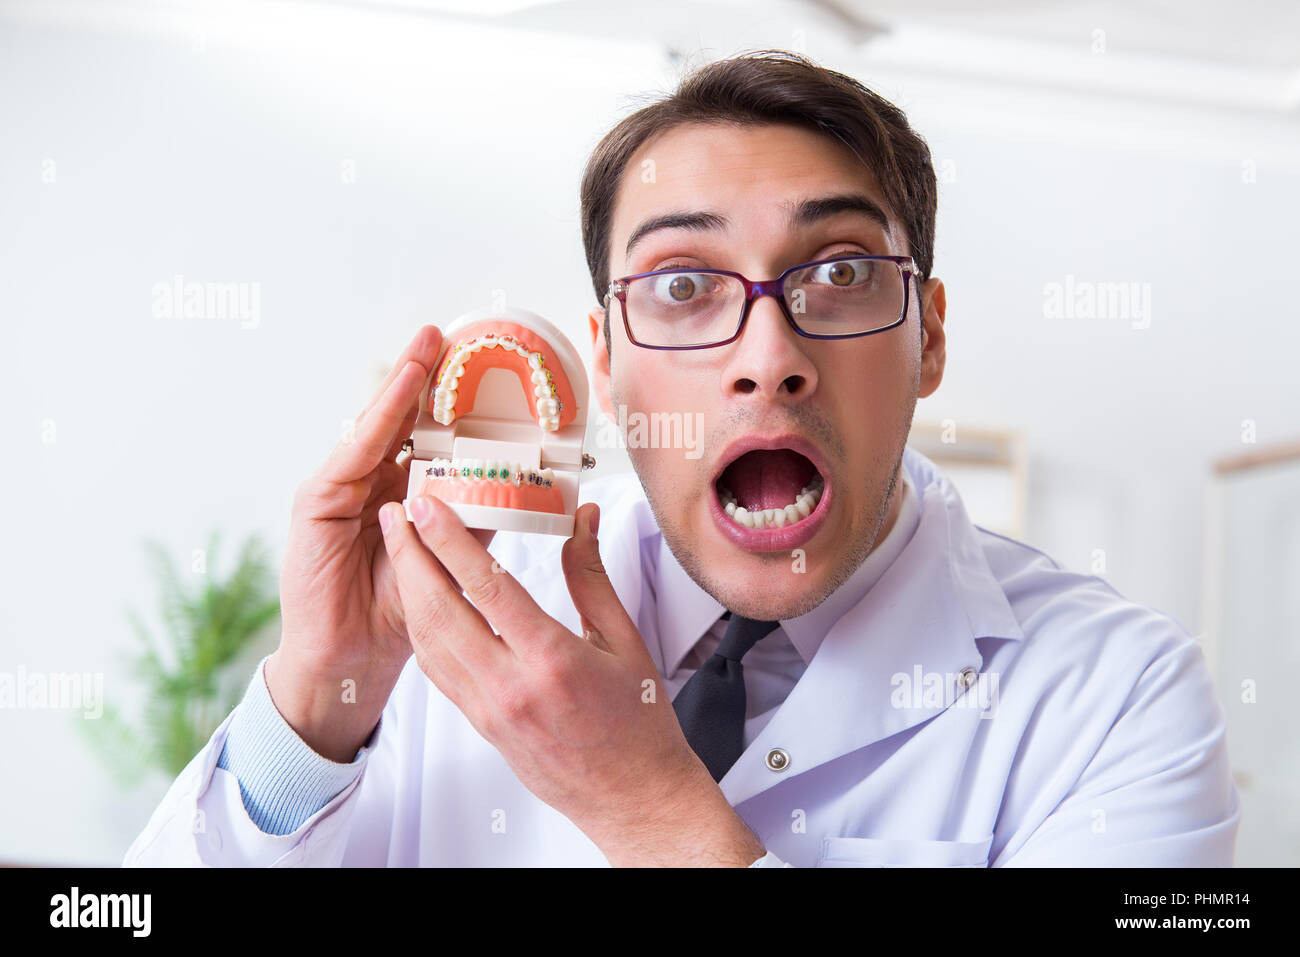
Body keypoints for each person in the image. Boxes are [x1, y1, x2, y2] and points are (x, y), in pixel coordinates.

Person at [123, 49, 1239, 867]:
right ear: (605, 360)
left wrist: (647, 811)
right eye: (682, 284)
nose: (769, 358)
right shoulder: (450, 620)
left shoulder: (1119, 697)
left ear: (929, 336)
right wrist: (318, 702)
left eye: (841, 273)